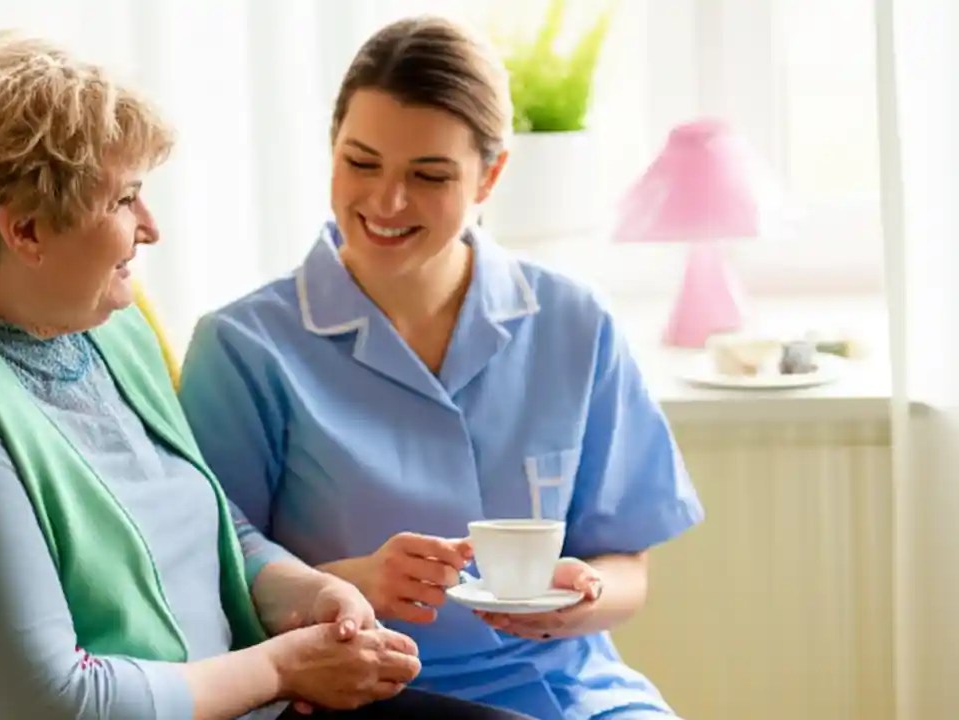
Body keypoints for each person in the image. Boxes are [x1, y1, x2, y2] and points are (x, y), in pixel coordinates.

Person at [0, 33, 530, 720]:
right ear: (25, 232)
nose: (150, 226)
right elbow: (51, 705)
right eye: (123, 200)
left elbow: (206, 516)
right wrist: (284, 667)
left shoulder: (103, 320)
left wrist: (307, 594)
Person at [178, 15, 705, 720]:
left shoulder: (575, 323)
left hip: (578, 690)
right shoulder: (246, 346)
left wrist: (580, 600)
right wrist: (355, 582)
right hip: (373, 695)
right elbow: (208, 576)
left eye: (428, 175)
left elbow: (626, 565)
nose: (386, 202)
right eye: (360, 162)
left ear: (490, 176)